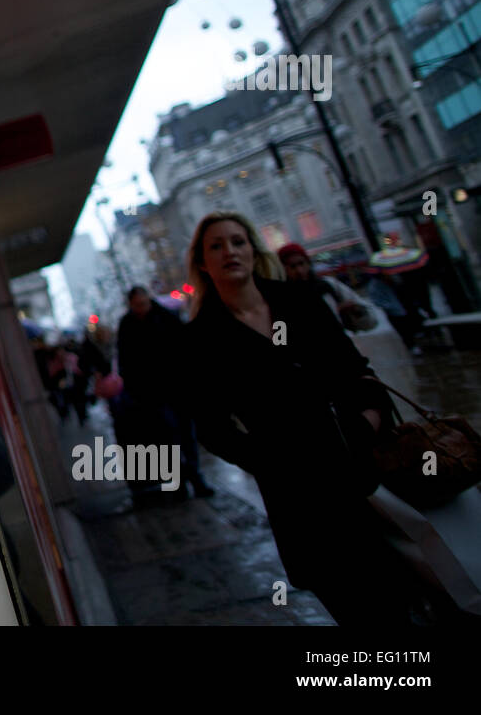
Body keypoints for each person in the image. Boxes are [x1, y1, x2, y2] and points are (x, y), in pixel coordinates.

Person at [183, 211, 422, 625]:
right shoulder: (203, 336)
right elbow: (212, 428)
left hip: (358, 465)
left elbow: (355, 369)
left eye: (238, 242)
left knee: (401, 593)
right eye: (216, 246)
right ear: (203, 263)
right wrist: (267, 460)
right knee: (350, 604)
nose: (229, 252)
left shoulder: (298, 300)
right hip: (296, 495)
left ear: (253, 251)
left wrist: (367, 422)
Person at [278, 243, 418, 401]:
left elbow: (369, 322)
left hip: (348, 366)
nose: (299, 271)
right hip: (314, 377)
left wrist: (355, 311)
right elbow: (280, 343)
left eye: (302, 264)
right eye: (292, 266)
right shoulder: (279, 301)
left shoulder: (328, 287)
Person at [117, 286, 214, 498]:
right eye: (137, 305)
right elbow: (125, 359)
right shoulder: (127, 325)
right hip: (150, 394)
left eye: (143, 303)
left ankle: (195, 477)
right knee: (165, 438)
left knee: (185, 435)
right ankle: (179, 481)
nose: (141, 308)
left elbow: (184, 347)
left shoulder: (165, 317)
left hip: (176, 388)